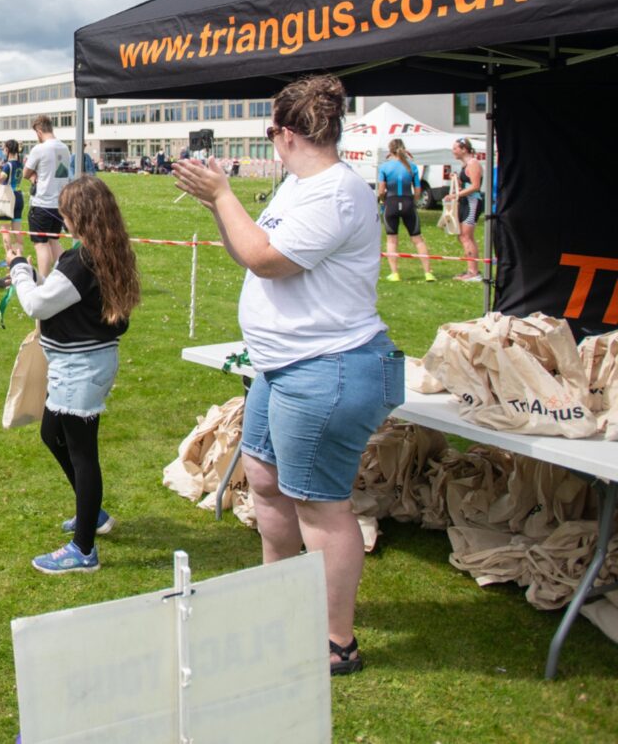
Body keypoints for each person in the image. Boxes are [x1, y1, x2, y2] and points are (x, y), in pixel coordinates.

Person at [172, 74, 401, 677]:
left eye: (270, 131)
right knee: (267, 483)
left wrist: (224, 196)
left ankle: (335, 643)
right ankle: (278, 601)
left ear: (285, 132)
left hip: (326, 369)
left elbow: (266, 261)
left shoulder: (334, 192)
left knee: (321, 507)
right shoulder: (300, 186)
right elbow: (247, 247)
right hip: (285, 368)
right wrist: (216, 204)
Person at [6, 177, 139, 574]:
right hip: (81, 364)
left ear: (78, 216)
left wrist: (18, 268)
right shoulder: (101, 251)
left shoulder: (82, 262)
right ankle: (91, 513)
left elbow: (37, 304)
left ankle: (84, 549)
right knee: (52, 433)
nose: (60, 219)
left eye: (65, 212)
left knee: (83, 454)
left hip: (82, 368)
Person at [376, 138, 434, 283]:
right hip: (408, 202)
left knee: (392, 239)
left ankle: (395, 273)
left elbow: (381, 190)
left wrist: (382, 199)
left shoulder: (384, 167)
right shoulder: (412, 166)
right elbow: (418, 190)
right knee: (417, 239)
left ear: (390, 151)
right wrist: (412, 201)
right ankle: (428, 273)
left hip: (392, 203)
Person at [23, 116, 73, 279]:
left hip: (42, 203)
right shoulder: (65, 148)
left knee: (41, 245)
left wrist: (34, 175)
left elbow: (25, 173)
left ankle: (43, 282)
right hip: (59, 204)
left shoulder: (40, 149)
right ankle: (67, 276)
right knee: (54, 241)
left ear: (38, 131)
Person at [446, 137, 484, 282]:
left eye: (455, 148)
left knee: (466, 236)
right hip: (465, 202)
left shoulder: (473, 164)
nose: (453, 151)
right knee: (462, 236)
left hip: (472, 202)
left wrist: (455, 195)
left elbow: (475, 186)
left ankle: (474, 273)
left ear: (464, 149)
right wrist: (456, 181)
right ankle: (471, 270)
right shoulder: (465, 165)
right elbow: (466, 185)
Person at [0, 139, 26, 257]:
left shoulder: (8, 165)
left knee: (5, 230)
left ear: (7, 150)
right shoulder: (20, 164)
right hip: (18, 196)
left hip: (8, 199)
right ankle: (19, 257)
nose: (2, 150)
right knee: (17, 231)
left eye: (3, 148)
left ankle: (9, 259)